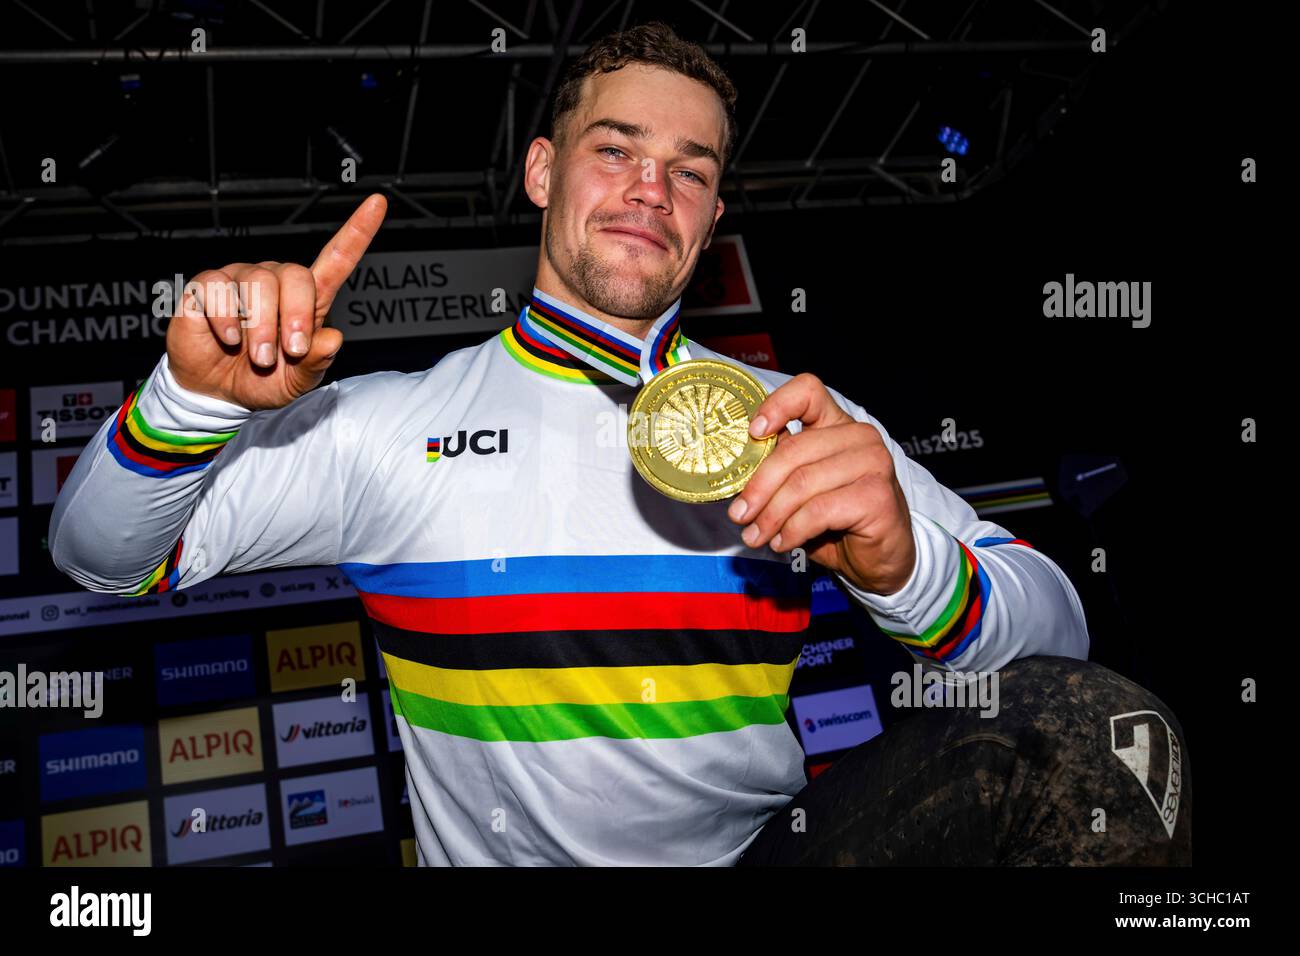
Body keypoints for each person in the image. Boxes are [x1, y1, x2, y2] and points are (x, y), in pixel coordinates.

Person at [49, 21, 1188, 865]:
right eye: (616, 149)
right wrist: (189, 403)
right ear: (541, 169)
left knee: (1110, 737)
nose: (654, 189)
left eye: (691, 170)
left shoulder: (796, 413)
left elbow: (1065, 641)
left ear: (713, 210)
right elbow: (100, 556)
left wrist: (909, 572)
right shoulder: (380, 426)